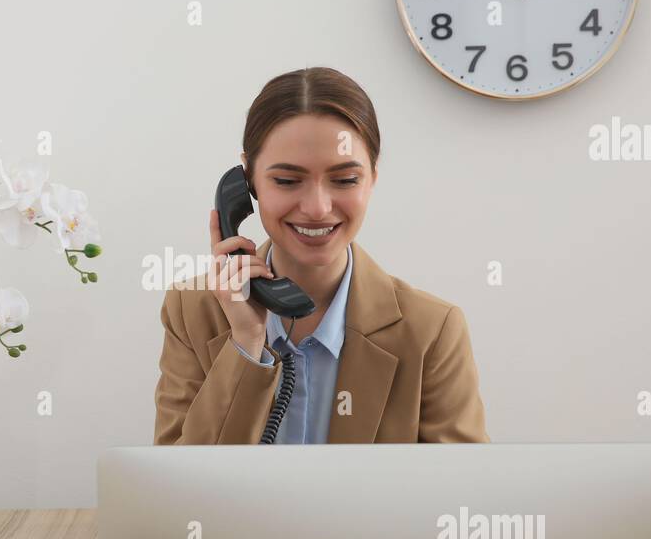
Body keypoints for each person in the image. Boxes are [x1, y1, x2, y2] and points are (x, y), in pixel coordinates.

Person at [154, 66, 489, 445]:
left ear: (373, 178)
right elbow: (176, 489)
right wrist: (245, 345)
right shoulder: (192, 312)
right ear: (246, 184)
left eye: (345, 179)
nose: (316, 208)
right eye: (286, 180)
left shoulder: (432, 330)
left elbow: (460, 492)